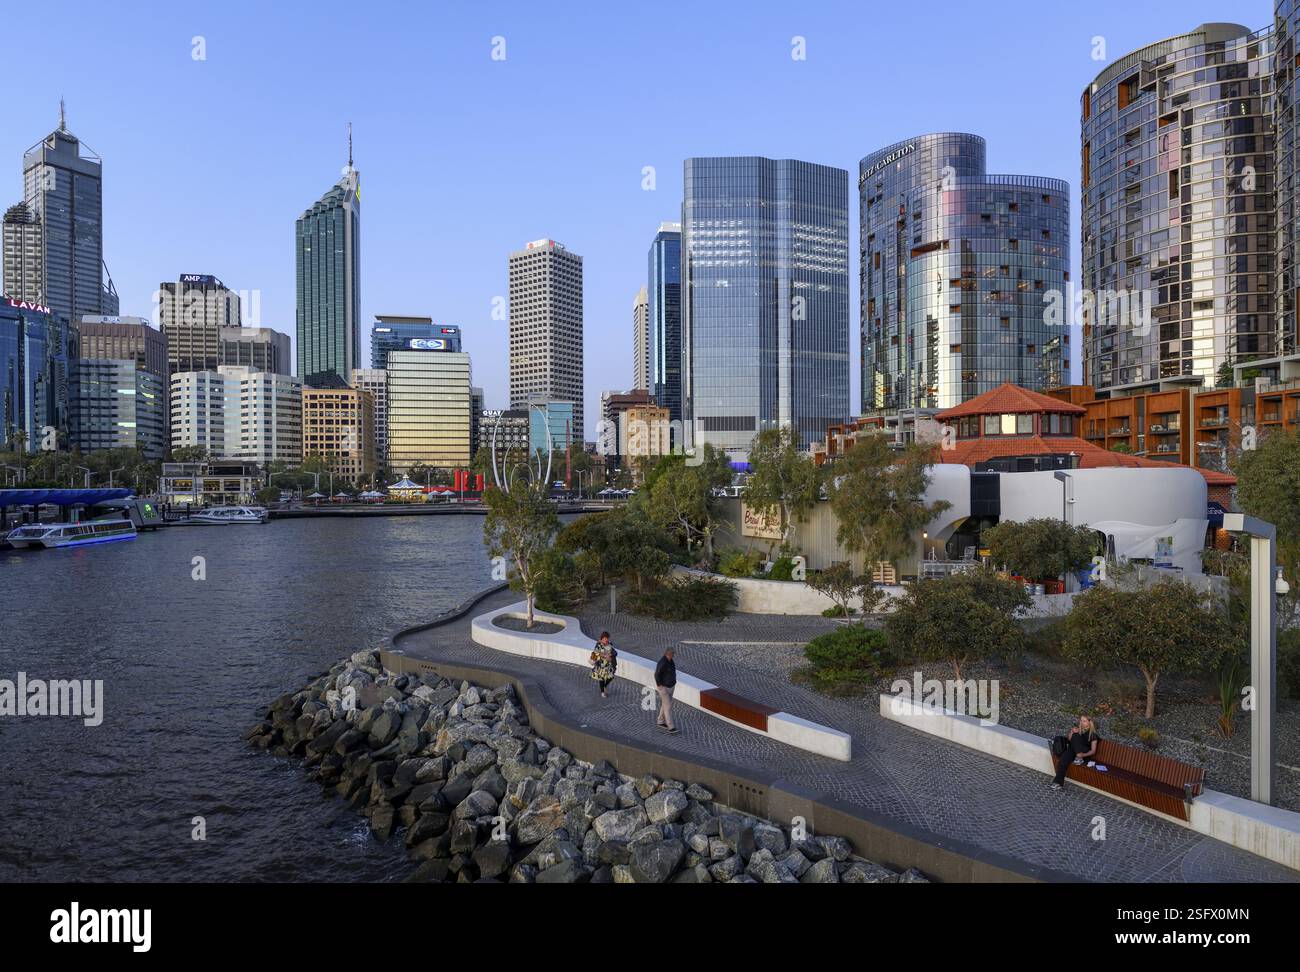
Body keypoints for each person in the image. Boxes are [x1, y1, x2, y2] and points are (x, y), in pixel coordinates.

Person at [1049, 715, 1101, 790]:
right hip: (1073, 750)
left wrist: (1082, 755)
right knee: (1063, 760)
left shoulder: (1093, 735)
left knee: (1076, 737)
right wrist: (1072, 732)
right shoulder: (1077, 729)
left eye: (1084, 721)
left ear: (1090, 722)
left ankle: (1079, 757)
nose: (1082, 722)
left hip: (1084, 753)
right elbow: (1070, 740)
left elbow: (1093, 751)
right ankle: (1058, 783)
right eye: (1081, 720)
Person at [654, 647, 678, 734]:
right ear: (669, 654)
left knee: (665, 705)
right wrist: (660, 686)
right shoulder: (663, 663)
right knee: (668, 707)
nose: (673, 655)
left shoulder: (670, 661)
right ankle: (671, 726)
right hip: (664, 688)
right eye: (672, 654)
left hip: (671, 686)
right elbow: (657, 674)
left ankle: (660, 721)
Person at [589, 631, 618, 698]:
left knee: (611, 676)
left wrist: (610, 655)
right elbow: (596, 653)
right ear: (602, 638)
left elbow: (615, 653)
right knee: (601, 678)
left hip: (609, 664)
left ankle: (604, 686)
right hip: (601, 665)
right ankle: (602, 692)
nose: (606, 639)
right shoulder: (599, 645)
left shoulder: (610, 644)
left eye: (607, 638)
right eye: (604, 638)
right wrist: (605, 655)